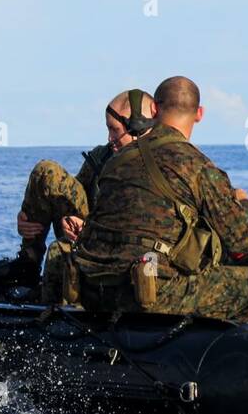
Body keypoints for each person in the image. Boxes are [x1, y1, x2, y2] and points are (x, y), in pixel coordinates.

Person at [74, 76, 248, 324]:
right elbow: (245, 239)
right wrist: (244, 202)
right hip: (146, 295)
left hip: (94, 289)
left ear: (155, 110)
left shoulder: (116, 160)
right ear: (199, 114)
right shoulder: (197, 165)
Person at [14, 89, 157, 303]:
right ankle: (26, 268)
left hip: (125, 243)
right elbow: (73, 195)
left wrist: (91, 230)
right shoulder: (103, 155)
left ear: (136, 126)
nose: (110, 138)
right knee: (46, 171)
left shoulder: (157, 163)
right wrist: (29, 219)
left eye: (114, 130)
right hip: (91, 230)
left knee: (58, 251)